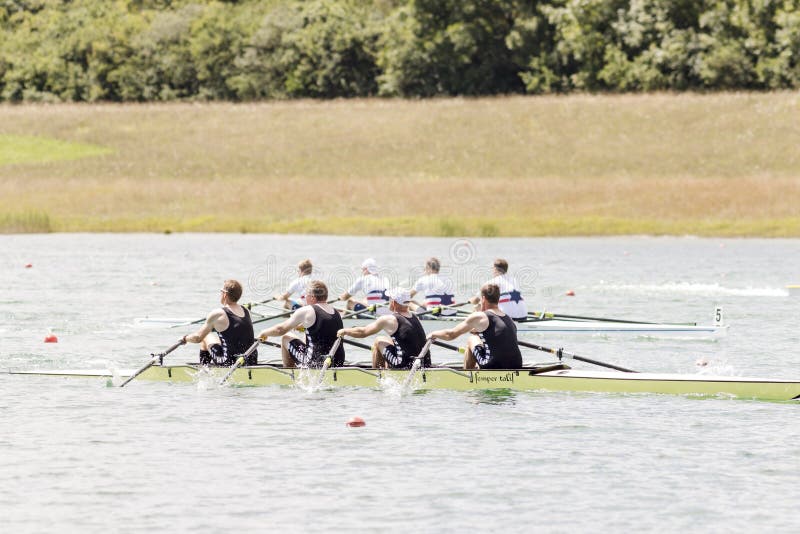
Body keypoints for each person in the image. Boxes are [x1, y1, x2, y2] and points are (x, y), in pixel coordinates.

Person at [430, 283, 522, 370]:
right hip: (517, 364)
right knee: (479, 339)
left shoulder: (480, 316)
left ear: (483, 299)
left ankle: (468, 377)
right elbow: (476, 329)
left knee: (472, 339)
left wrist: (432, 334)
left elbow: (451, 335)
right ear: (498, 299)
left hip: (493, 365)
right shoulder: (509, 318)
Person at [338, 287, 431, 369]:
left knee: (378, 341)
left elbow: (363, 332)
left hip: (404, 365)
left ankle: (377, 377)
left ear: (394, 302)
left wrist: (345, 331)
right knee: (388, 340)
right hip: (424, 363)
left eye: (389, 299)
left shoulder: (389, 319)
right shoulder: (415, 317)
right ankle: (387, 368)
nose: (388, 301)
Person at [259, 280, 345, 368]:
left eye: (305, 295)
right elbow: (322, 330)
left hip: (316, 363)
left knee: (286, 337)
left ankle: (290, 373)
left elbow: (280, 329)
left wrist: (264, 333)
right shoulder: (336, 312)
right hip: (338, 361)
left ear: (312, 297)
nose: (304, 298)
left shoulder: (307, 310)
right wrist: (303, 327)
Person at [181, 279, 257, 366]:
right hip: (251, 360)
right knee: (221, 340)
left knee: (205, 337)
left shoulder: (218, 314)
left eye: (221, 292)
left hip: (229, 362)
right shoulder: (246, 310)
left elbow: (197, 338)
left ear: (225, 294)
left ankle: (204, 372)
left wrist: (185, 338)